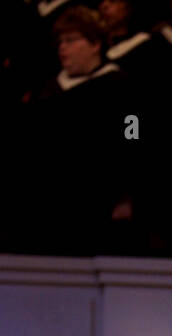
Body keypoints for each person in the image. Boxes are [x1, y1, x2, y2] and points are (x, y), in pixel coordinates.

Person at [25, 6, 142, 254]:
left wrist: (125, 195)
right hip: (46, 207)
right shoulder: (46, 93)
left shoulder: (123, 90)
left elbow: (133, 140)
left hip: (98, 207)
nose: (62, 48)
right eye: (60, 42)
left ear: (95, 43)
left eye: (70, 40)